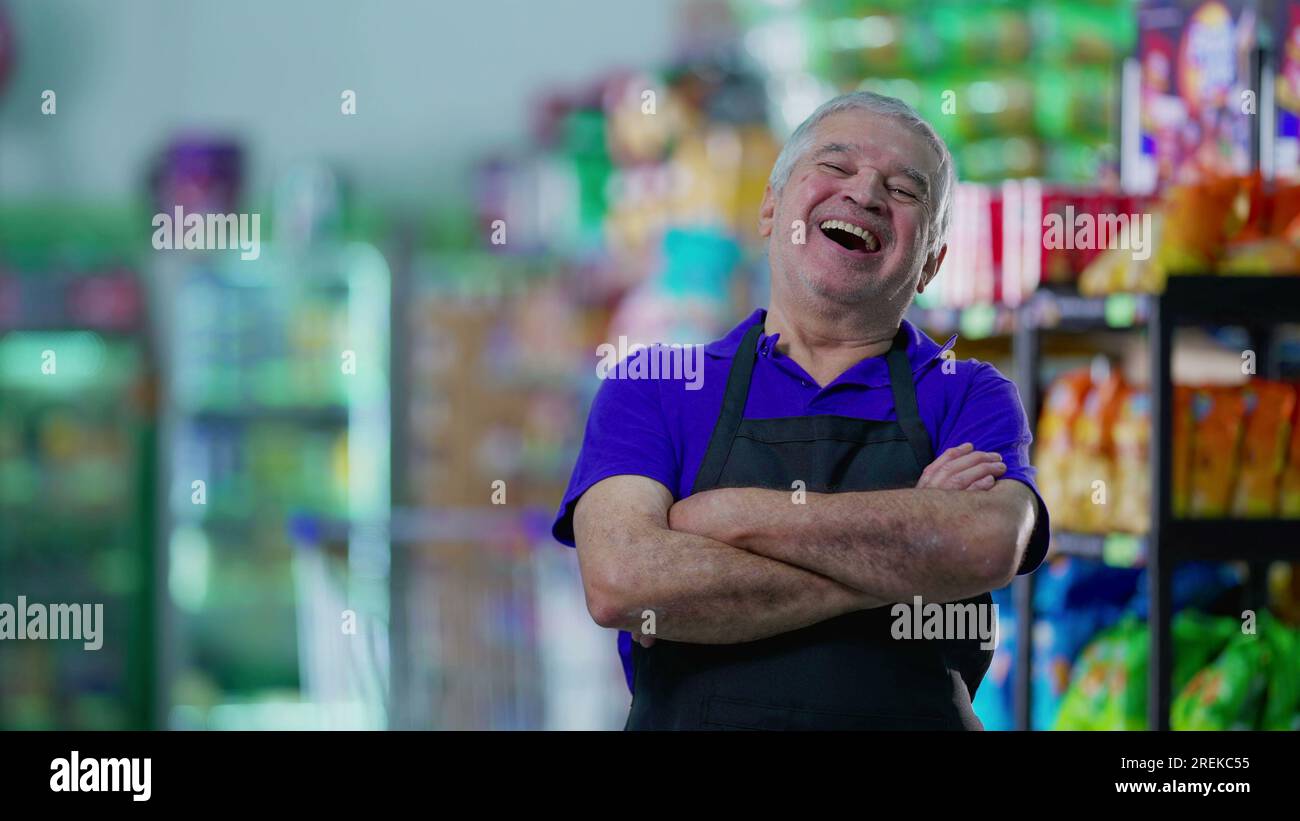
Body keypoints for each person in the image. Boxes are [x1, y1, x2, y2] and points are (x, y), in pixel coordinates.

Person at [552, 91, 1050, 730]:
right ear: (770, 206)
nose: (865, 193)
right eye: (837, 168)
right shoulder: (653, 385)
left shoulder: (969, 392)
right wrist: (909, 564)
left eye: (904, 190)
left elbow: (984, 543)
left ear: (931, 262)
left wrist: (724, 517)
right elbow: (624, 579)